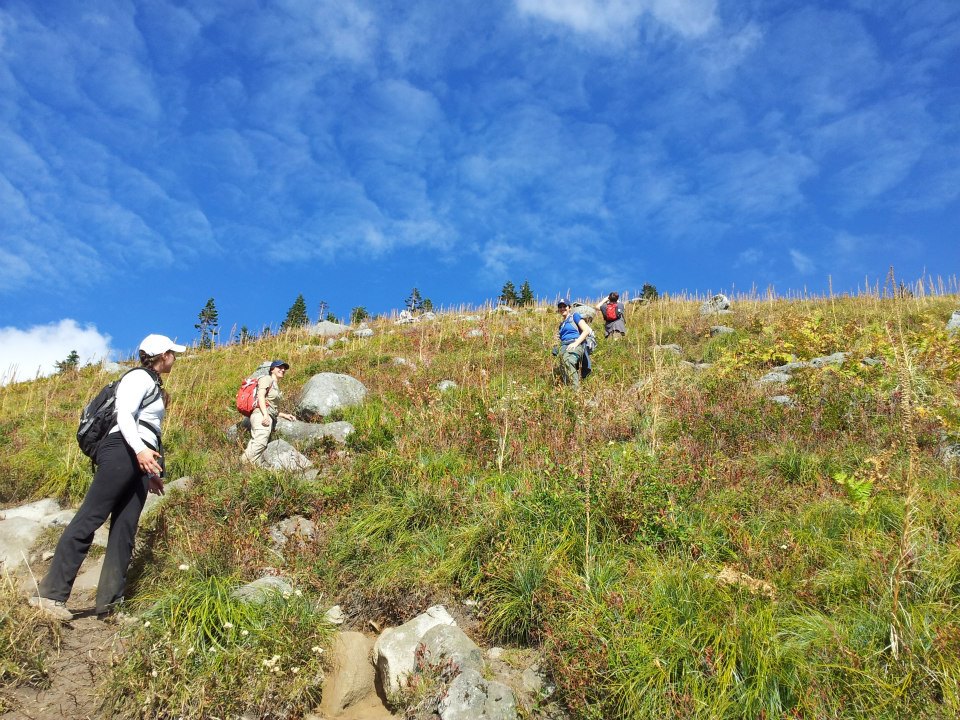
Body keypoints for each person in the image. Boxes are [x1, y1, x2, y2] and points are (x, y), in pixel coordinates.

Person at [31, 334, 185, 621]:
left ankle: (111, 607)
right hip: (123, 451)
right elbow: (124, 414)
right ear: (162, 355)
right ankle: (50, 595)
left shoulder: (152, 383)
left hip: (138, 459)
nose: (175, 357)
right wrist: (139, 451)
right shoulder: (138, 377)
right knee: (90, 517)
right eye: (172, 353)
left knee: (124, 531)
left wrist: (149, 472)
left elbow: (147, 425)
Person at [241, 360, 296, 466]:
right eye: (280, 367)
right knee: (260, 442)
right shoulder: (266, 379)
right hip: (260, 415)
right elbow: (260, 396)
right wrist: (265, 415)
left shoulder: (275, 385)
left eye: (284, 368)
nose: (283, 370)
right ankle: (241, 465)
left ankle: (248, 468)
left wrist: (284, 415)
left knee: (259, 443)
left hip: (266, 414)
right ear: (272, 369)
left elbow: (271, 407)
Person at [554, 300, 595, 388]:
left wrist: (575, 343)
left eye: (564, 306)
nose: (562, 308)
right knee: (563, 369)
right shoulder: (561, 324)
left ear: (569, 308)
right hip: (563, 347)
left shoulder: (575, 316)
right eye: (560, 307)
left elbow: (586, 330)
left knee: (568, 361)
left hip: (574, 343)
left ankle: (575, 390)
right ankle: (568, 391)